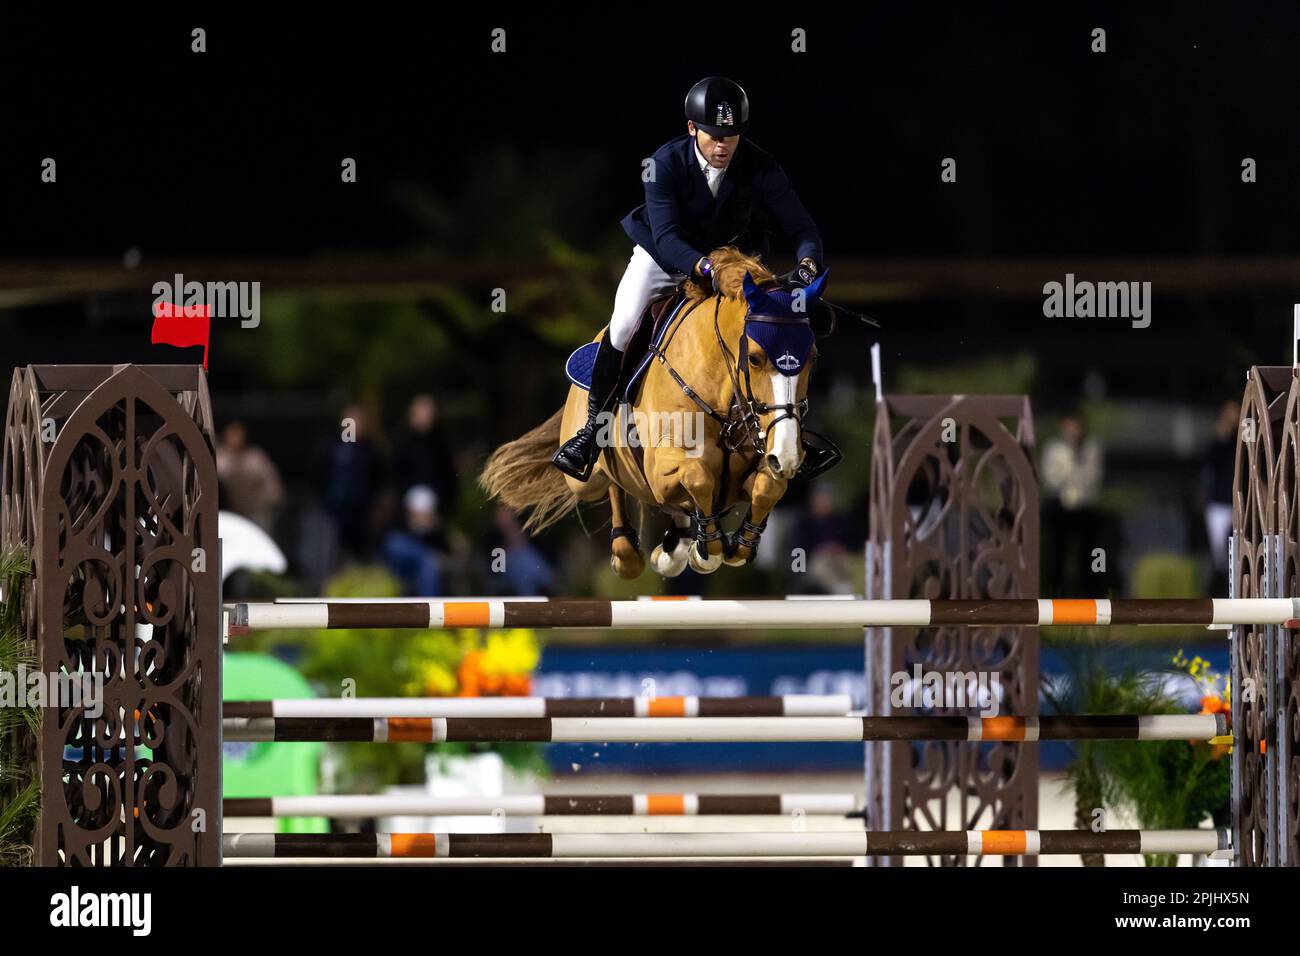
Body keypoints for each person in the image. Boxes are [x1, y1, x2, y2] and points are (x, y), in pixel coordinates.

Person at [551, 75, 825, 480]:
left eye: (731, 136)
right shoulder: (662, 165)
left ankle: (788, 433)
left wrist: (806, 267)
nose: (723, 146)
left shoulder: (760, 165)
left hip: (730, 261)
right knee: (624, 324)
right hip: (663, 258)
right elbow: (667, 238)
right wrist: (710, 269)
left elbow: (802, 229)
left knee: (774, 329)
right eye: (714, 135)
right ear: (692, 128)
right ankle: (593, 430)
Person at [215, 421, 283, 532]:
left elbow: (274, 491)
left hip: (255, 514)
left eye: (238, 435)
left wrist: (258, 503)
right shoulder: (220, 459)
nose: (235, 439)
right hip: (228, 515)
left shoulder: (256, 459)